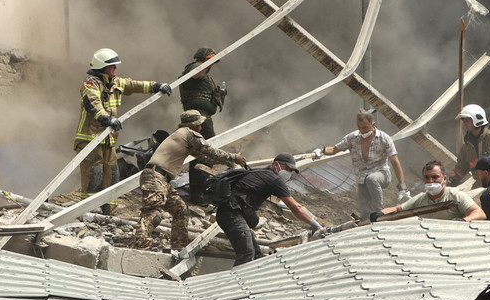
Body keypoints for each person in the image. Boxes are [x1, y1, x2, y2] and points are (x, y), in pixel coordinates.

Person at [75, 48, 173, 208]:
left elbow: (134, 85)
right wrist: (107, 119)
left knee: (112, 176)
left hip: (108, 140)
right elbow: (93, 103)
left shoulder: (116, 82)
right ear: (102, 67)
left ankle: (108, 211)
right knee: (94, 177)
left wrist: (156, 86)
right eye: (112, 66)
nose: (115, 69)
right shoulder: (90, 84)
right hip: (90, 139)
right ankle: (87, 212)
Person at [134, 110, 246, 249]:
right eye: (199, 125)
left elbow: (203, 157)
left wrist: (228, 163)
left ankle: (178, 248)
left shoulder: (181, 136)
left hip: (160, 179)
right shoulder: (188, 133)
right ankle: (140, 247)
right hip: (155, 177)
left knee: (180, 209)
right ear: (193, 125)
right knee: (152, 213)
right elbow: (209, 150)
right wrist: (233, 157)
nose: (201, 128)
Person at [212, 153, 323, 265]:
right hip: (231, 213)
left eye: (291, 171)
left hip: (230, 213)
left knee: (257, 255)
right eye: (287, 169)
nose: (289, 173)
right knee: (247, 254)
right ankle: (234, 282)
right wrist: (316, 226)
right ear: (276, 164)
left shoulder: (261, 172)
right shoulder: (273, 179)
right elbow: (296, 207)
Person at [313, 111, 408, 218]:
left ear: (373, 125)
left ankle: (381, 213)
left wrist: (402, 187)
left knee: (372, 179)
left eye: (365, 127)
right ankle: (367, 222)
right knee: (365, 211)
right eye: (359, 127)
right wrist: (321, 149)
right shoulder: (352, 138)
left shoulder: (384, 139)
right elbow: (335, 149)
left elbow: (395, 161)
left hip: (382, 173)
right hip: (362, 177)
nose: (362, 131)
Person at [377, 161, 484, 222]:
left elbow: (479, 213)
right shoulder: (421, 199)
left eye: (435, 177)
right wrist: (380, 213)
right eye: (427, 178)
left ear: (444, 179)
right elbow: (398, 209)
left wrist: (464, 221)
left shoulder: (455, 195)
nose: (430, 181)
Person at [451, 104, 490, 185]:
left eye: (467, 120)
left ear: (477, 119)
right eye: (464, 121)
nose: (465, 124)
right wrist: (451, 181)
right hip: (480, 184)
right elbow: (461, 168)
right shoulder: (467, 146)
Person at [178, 48, 224, 140]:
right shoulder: (194, 67)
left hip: (202, 118)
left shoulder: (204, 75)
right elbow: (194, 73)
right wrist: (207, 63)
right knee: (211, 145)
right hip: (198, 118)